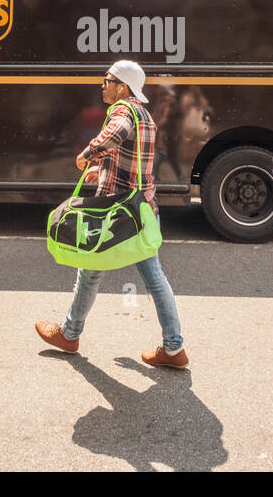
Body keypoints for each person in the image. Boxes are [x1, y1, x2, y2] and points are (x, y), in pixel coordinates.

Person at [35, 59, 188, 368]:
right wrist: (101, 169)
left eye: (107, 80)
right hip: (143, 209)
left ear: (122, 87)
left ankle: (69, 334)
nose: (102, 85)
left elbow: (115, 135)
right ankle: (173, 348)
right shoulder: (145, 115)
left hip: (118, 214)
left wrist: (87, 153)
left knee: (90, 270)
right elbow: (133, 159)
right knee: (150, 278)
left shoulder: (122, 110)